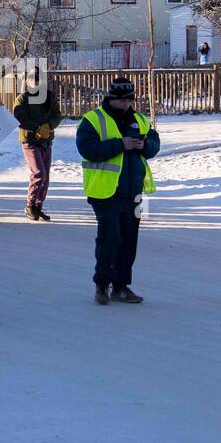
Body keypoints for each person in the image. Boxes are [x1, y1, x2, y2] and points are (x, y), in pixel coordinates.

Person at [76, 77, 160, 305]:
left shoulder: (139, 120)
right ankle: (102, 285)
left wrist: (146, 146)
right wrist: (120, 144)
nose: (126, 104)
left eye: (129, 100)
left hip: (132, 191)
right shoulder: (93, 120)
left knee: (128, 241)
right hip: (104, 192)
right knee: (109, 239)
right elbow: (87, 149)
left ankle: (122, 287)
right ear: (111, 99)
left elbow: (154, 143)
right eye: (122, 100)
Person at [12, 67, 63, 221]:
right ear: (26, 80)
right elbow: (19, 118)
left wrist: (49, 126)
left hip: (46, 142)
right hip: (30, 141)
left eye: (38, 79)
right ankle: (29, 205)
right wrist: (37, 128)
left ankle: (38, 206)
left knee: (45, 177)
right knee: (38, 173)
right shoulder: (22, 98)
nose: (35, 81)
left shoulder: (49, 97)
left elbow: (57, 115)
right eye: (32, 78)